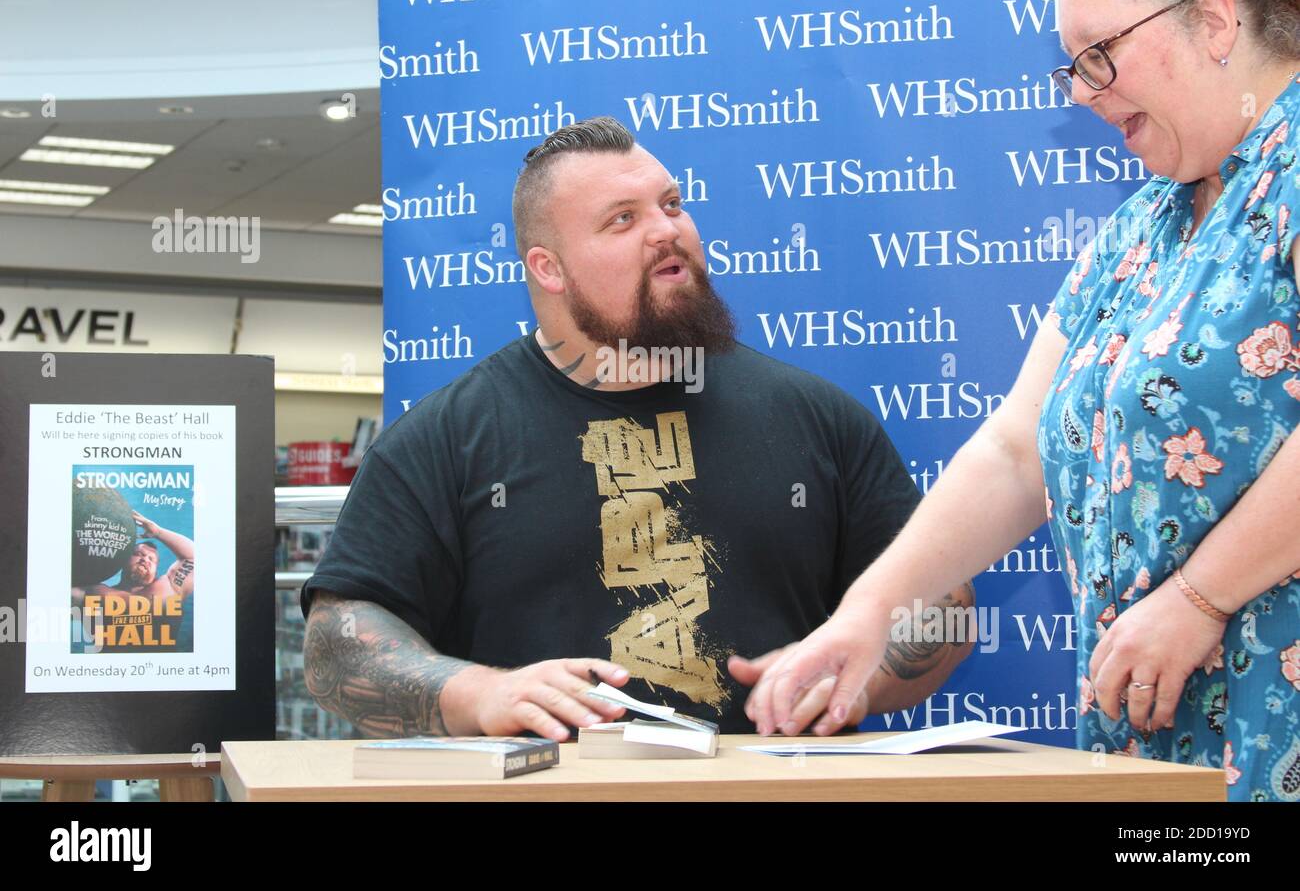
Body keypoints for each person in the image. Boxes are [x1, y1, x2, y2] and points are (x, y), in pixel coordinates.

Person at [745, 0, 1300, 800]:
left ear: (1215, 21)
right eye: (1072, 67)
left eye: (1098, 56)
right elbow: (1017, 448)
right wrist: (865, 617)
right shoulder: (1143, 224)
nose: (1080, 92)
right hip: (1159, 752)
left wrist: (1199, 599)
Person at [300, 116, 975, 740]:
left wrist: (856, 673)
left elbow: (944, 604)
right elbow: (335, 646)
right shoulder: (445, 439)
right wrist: (479, 695)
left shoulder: (818, 419)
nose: (666, 230)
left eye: (672, 204)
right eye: (623, 220)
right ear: (548, 268)